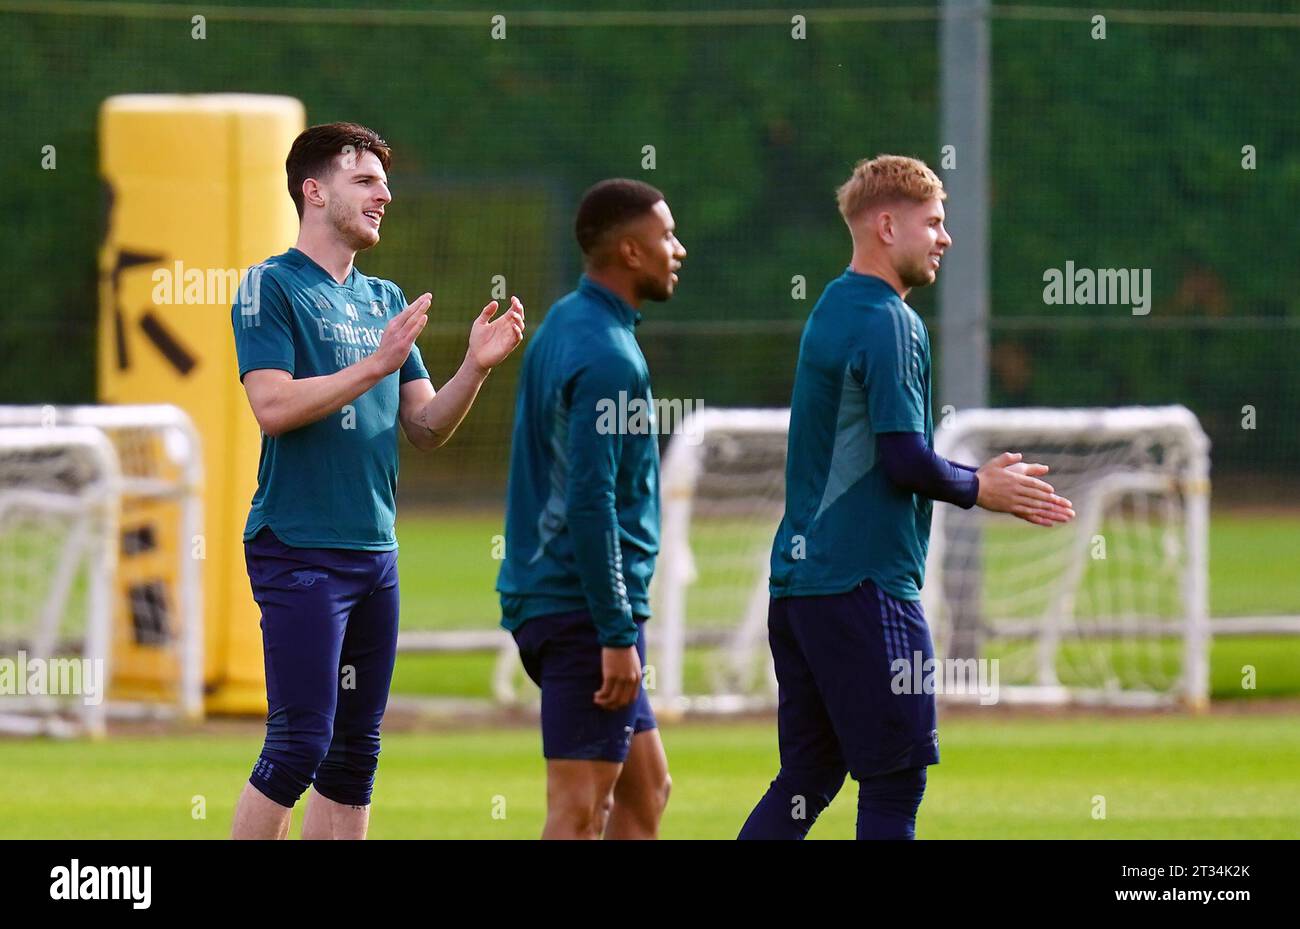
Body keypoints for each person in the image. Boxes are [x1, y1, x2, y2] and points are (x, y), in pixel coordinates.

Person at [738, 155, 1075, 840]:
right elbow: (903, 460)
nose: (944, 238)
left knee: (806, 779)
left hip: (800, 589)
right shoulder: (892, 322)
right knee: (895, 785)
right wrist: (983, 487)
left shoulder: (832, 305)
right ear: (887, 225)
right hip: (864, 588)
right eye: (934, 222)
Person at [229, 122, 524, 839]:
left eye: (384, 182)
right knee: (299, 743)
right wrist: (372, 367)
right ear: (314, 189)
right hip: (297, 548)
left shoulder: (385, 299)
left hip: (374, 553)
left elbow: (424, 427)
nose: (384, 194)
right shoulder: (268, 286)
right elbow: (271, 406)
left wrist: (475, 368)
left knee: (355, 755)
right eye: (365, 180)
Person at [496, 179, 685, 839]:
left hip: (558, 597)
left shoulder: (564, 326)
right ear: (631, 252)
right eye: (666, 236)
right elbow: (590, 500)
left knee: (645, 792)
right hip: (581, 608)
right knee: (578, 811)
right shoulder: (610, 358)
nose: (677, 249)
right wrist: (613, 632)